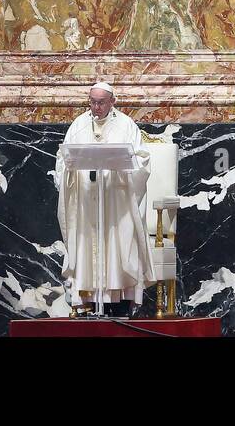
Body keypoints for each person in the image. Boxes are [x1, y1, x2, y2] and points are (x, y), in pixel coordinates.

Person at [55, 82, 154, 316]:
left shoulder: (126, 125)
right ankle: (88, 302)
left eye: (101, 102)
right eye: (92, 101)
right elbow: (63, 158)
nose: (96, 107)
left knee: (118, 245)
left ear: (112, 102)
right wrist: (68, 169)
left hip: (116, 200)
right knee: (85, 248)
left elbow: (142, 159)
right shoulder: (79, 124)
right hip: (87, 199)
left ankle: (118, 301)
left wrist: (122, 165)